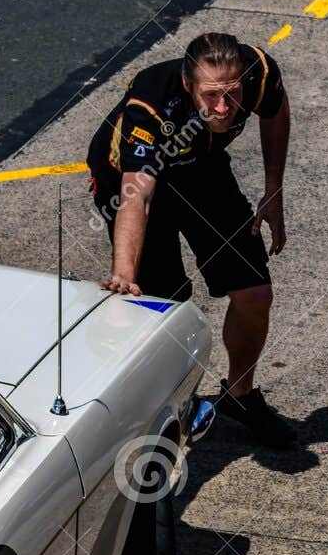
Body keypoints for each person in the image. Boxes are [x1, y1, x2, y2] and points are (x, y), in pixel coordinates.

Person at [87, 32, 295, 448]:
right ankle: (168, 409)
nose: (223, 108)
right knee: (163, 307)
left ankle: (240, 393)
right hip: (133, 183)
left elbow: (275, 110)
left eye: (232, 95)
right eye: (212, 96)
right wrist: (124, 274)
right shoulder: (150, 103)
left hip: (202, 169)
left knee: (255, 293)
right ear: (188, 85)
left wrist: (274, 189)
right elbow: (136, 196)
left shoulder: (258, 72)